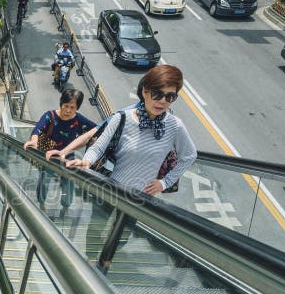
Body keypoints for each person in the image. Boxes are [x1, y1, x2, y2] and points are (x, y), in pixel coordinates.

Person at [66, 65, 197, 266]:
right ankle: (90, 263)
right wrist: (86, 161)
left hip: (140, 196)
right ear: (145, 91)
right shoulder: (123, 118)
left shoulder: (174, 126)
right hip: (110, 188)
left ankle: (104, 264)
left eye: (170, 97)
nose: (162, 101)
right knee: (95, 228)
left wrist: (164, 183)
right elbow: (98, 146)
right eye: (157, 94)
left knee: (123, 234)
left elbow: (189, 155)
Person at [23, 89, 96, 216]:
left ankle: (66, 206)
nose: (68, 110)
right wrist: (34, 141)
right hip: (50, 157)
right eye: (66, 106)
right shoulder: (50, 115)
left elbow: (98, 129)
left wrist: (88, 140)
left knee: (69, 184)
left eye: (72, 107)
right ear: (61, 103)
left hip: (68, 159)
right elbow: (37, 129)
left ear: (77, 108)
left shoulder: (79, 120)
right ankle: (41, 203)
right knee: (45, 180)